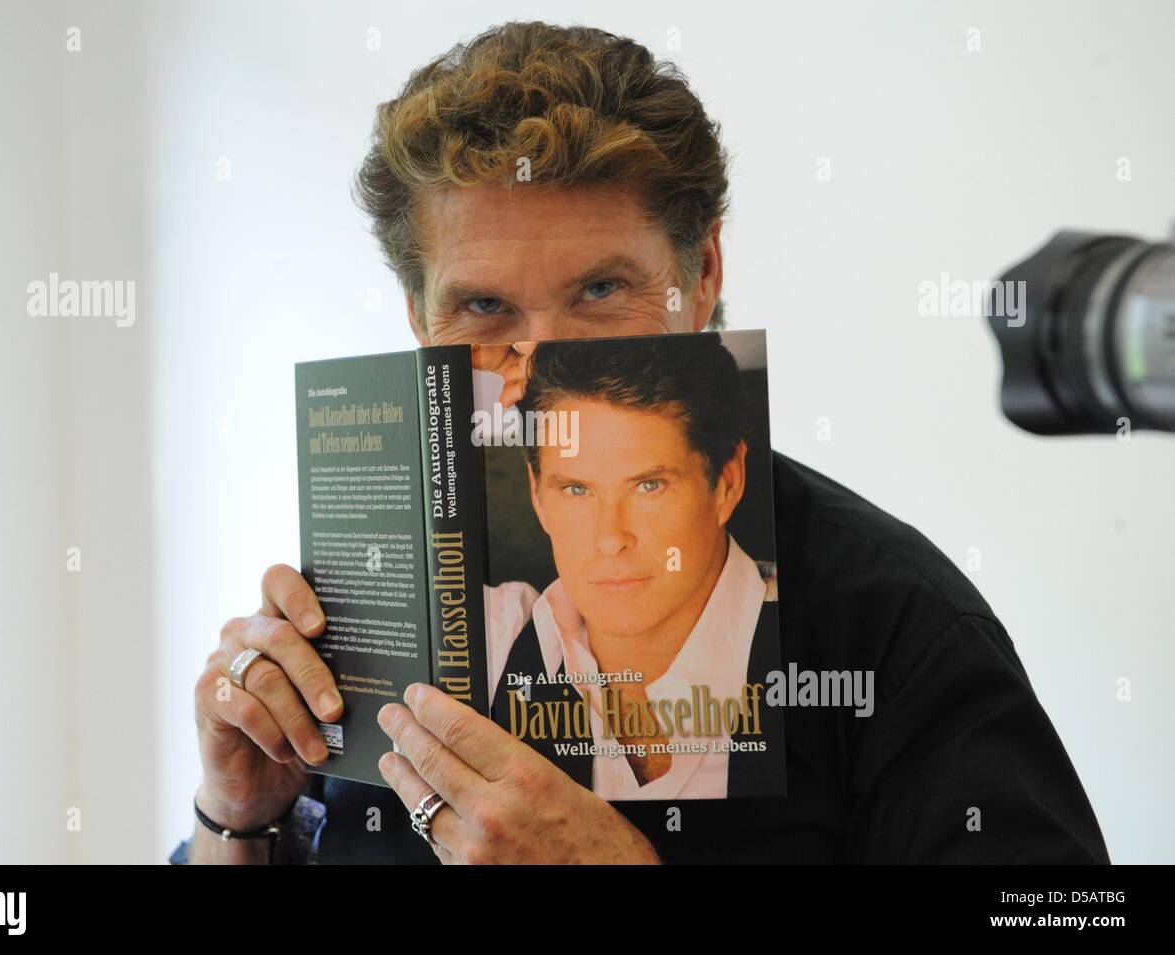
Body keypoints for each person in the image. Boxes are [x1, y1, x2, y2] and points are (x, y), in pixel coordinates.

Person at [177, 21, 1109, 864]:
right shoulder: (378, 604)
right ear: (419, 317)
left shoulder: (894, 621)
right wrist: (237, 815)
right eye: (485, 306)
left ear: (700, 275)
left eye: (599, 290)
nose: (539, 363)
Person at [483, 333, 777, 800]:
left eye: (648, 485)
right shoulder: (485, 638)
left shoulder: (837, 653)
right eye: (576, 489)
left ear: (726, 482)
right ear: (536, 492)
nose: (610, 539)